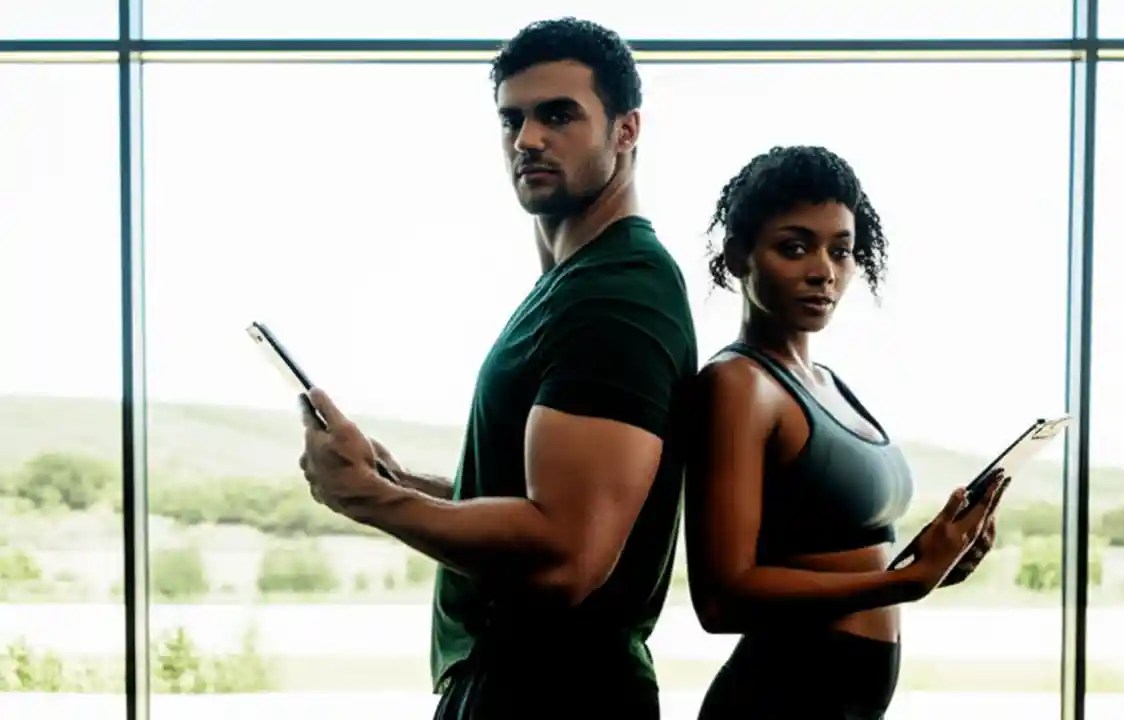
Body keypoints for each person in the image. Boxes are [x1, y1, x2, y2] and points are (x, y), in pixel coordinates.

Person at [296, 17, 698, 720]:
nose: (528, 139)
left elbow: (566, 553)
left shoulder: (619, 295)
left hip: (557, 694)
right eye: (512, 119)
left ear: (626, 131)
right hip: (513, 683)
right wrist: (399, 480)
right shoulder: (574, 287)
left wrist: (365, 498)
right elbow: (532, 497)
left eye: (559, 115)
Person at [683, 145, 1007, 720]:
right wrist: (902, 583)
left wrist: (936, 564)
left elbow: (850, 558)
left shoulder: (826, 383)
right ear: (738, 256)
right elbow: (722, 597)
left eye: (842, 251)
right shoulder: (737, 385)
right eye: (795, 247)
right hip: (778, 699)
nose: (823, 271)